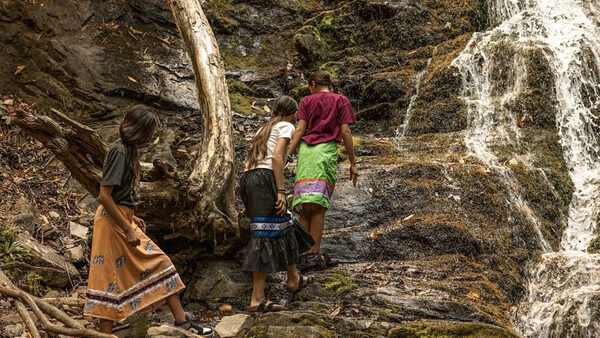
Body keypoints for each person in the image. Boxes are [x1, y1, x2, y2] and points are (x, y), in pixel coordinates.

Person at [83, 105, 212, 335]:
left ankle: (181, 321)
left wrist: (133, 216)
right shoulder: (119, 152)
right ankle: (105, 334)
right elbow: (104, 195)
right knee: (109, 279)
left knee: (158, 264)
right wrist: (128, 227)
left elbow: (121, 195)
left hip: (122, 219)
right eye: (150, 131)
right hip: (112, 225)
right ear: (139, 130)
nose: (152, 136)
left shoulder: (129, 151)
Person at [240, 95, 316, 312]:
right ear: (294, 114)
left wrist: (249, 201)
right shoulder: (286, 126)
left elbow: (250, 164)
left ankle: (293, 278)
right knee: (263, 234)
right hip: (265, 180)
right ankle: (257, 299)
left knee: (286, 223)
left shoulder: (263, 129)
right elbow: (276, 158)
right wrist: (281, 191)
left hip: (250, 180)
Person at [288, 70, 358, 271]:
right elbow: (345, 131)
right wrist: (353, 163)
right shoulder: (340, 100)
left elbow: (300, 130)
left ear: (312, 83)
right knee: (318, 206)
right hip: (325, 152)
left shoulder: (307, 101)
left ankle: (302, 255)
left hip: (306, 154)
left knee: (305, 205)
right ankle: (313, 255)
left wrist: (288, 155)